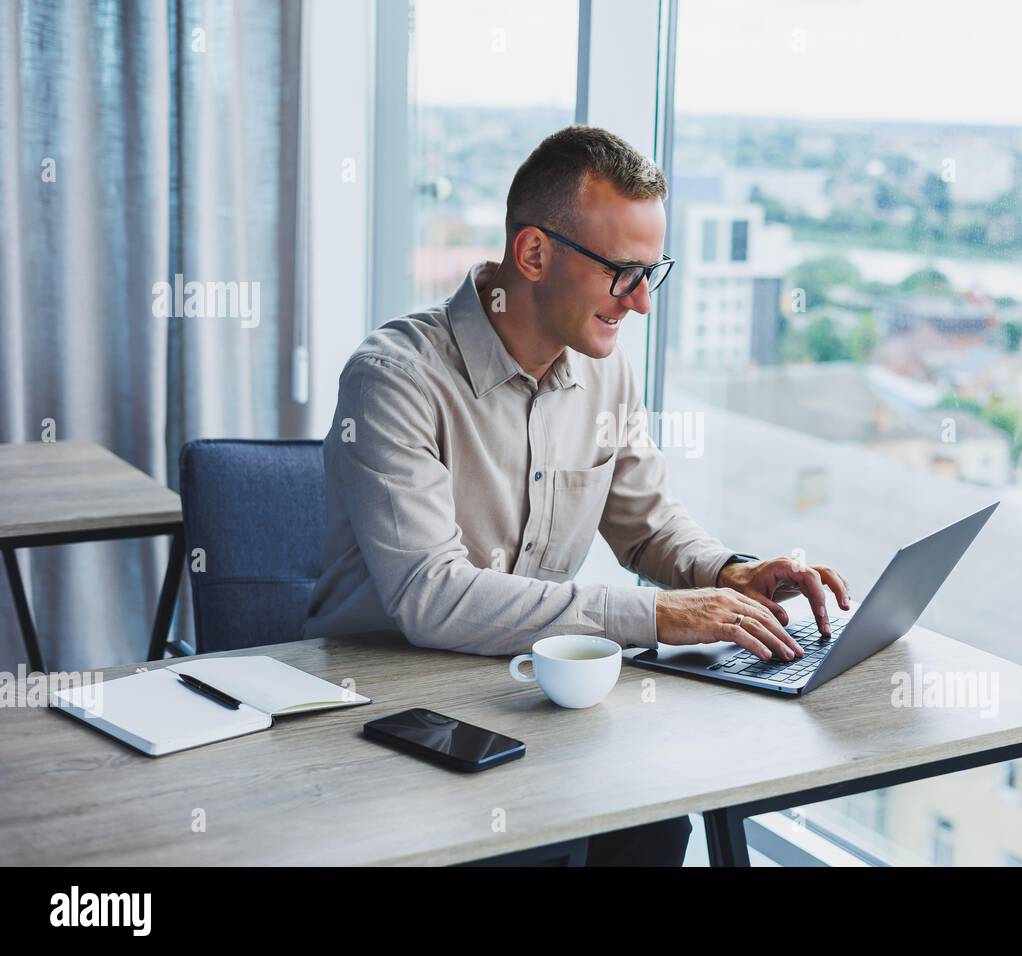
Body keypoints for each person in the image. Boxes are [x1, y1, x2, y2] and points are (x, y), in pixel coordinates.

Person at [306, 125, 852, 866]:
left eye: (651, 275)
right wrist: (656, 613)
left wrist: (729, 574)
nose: (641, 303)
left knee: (657, 823)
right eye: (622, 274)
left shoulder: (604, 370)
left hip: (527, 693)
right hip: (381, 714)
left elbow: (647, 525)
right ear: (533, 254)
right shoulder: (395, 379)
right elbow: (431, 597)